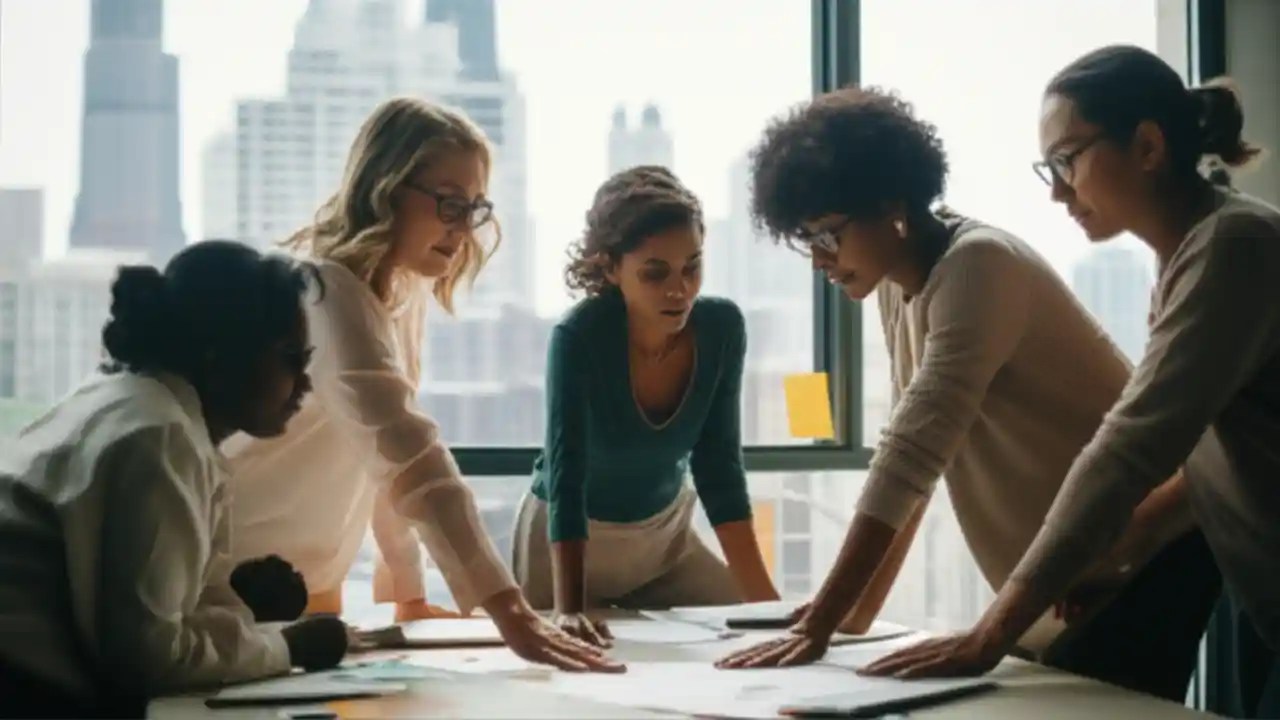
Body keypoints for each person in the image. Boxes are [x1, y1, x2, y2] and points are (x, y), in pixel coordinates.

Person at [714, 85, 1222, 701]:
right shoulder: (895, 284)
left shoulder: (979, 265)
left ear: (890, 205)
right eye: (807, 240)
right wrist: (847, 621)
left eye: (828, 235)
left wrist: (821, 623)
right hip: (1065, 569)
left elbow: (909, 457)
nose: (820, 260)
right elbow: (911, 466)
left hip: (1139, 548)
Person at [859, 45, 1280, 716]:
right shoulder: (1190, 257)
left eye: (1067, 160)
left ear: (1147, 146)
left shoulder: (1234, 248)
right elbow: (1201, 458)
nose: (1057, 191)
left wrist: (993, 631)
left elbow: (1129, 449)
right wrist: (1111, 557)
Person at [221, 96, 620, 672]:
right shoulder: (325, 291)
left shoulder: (398, 299)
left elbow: (381, 463)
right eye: (449, 204)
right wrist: (510, 611)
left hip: (296, 589)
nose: (464, 230)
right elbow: (412, 459)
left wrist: (407, 593)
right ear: (385, 188)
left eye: (474, 209)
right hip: (227, 580)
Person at [0, 241, 348, 718]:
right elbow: (150, 659)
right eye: (290, 358)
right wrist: (290, 648)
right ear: (220, 353)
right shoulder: (159, 437)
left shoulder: (129, 401)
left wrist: (243, 615)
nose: (305, 383)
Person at [511, 165, 779, 645]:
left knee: (749, 634)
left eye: (692, 267)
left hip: (665, 543)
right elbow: (568, 474)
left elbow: (719, 468)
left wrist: (770, 609)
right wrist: (569, 610)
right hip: (565, 551)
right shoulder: (579, 335)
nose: (680, 289)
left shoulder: (722, 328)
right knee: (579, 672)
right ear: (611, 268)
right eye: (655, 273)